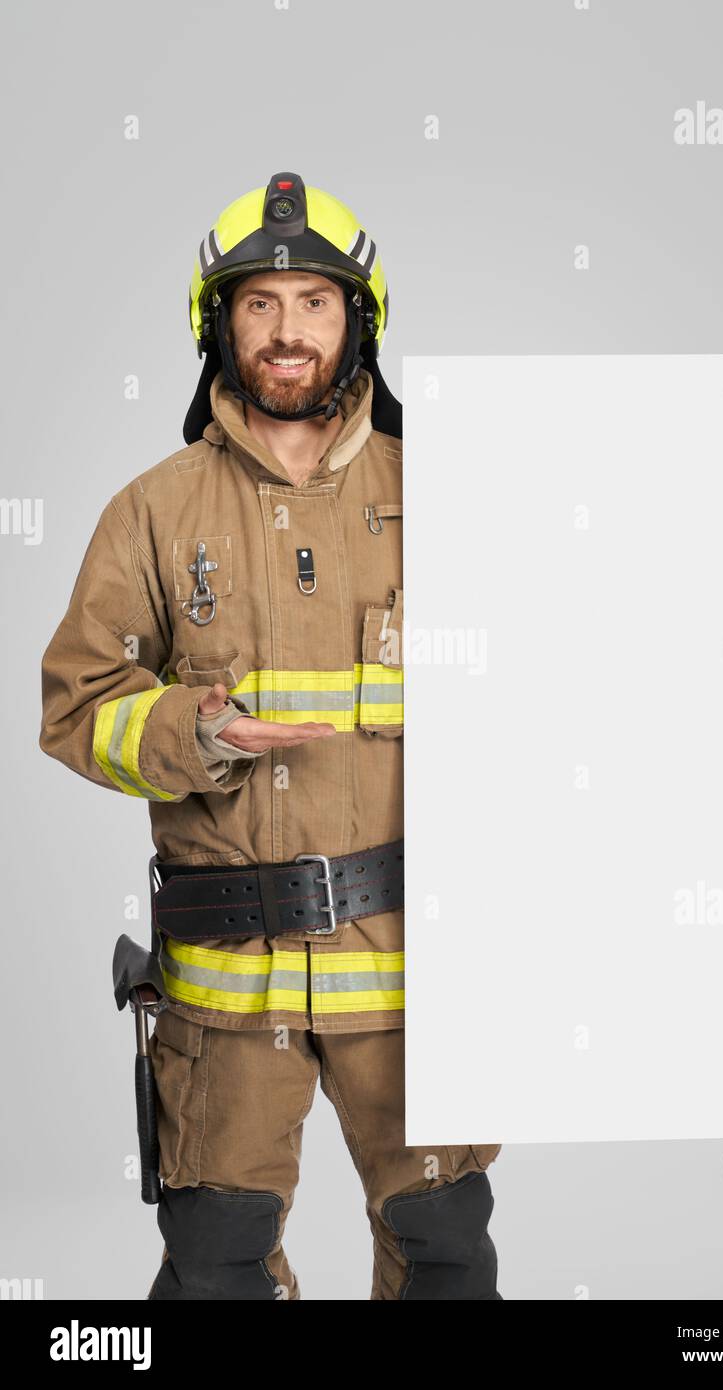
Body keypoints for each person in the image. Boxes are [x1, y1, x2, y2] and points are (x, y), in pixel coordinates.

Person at [39, 171, 504, 1301]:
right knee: (214, 1275)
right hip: (224, 997)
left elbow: (580, 680)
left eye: (314, 302)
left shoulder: (459, 497)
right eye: (259, 303)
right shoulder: (154, 511)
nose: (286, 330)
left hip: (413, 990)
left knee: (448, 1262)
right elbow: (74, 708)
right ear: (219, 324)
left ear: (359, 324)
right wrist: (191, 729)